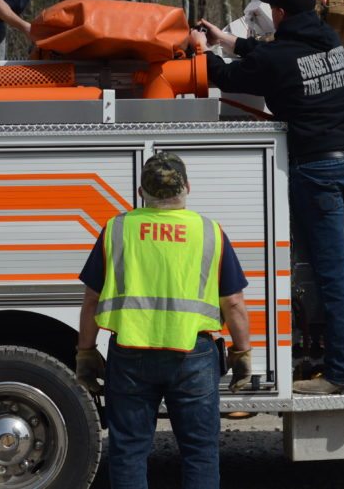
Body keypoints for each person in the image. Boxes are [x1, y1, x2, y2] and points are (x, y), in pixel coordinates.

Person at [190, 0, 344, 396]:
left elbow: (228, 76)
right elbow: (272, 55)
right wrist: (226, 39)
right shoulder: (331, 43)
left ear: (280, 13)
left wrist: (201, 50)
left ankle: (342, 373)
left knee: (332, 274)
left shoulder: (279, 56)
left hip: (319, 171)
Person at [76, 152, 252, 489]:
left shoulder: (117, 229)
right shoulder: (209, 232)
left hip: (130, 355)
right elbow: (233, 303)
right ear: (187, 187)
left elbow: (92, 300)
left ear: (141, 192)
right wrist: (241, 353)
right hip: (193, 355)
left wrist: (85, 352)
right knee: (200, 452)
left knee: (129, 451)